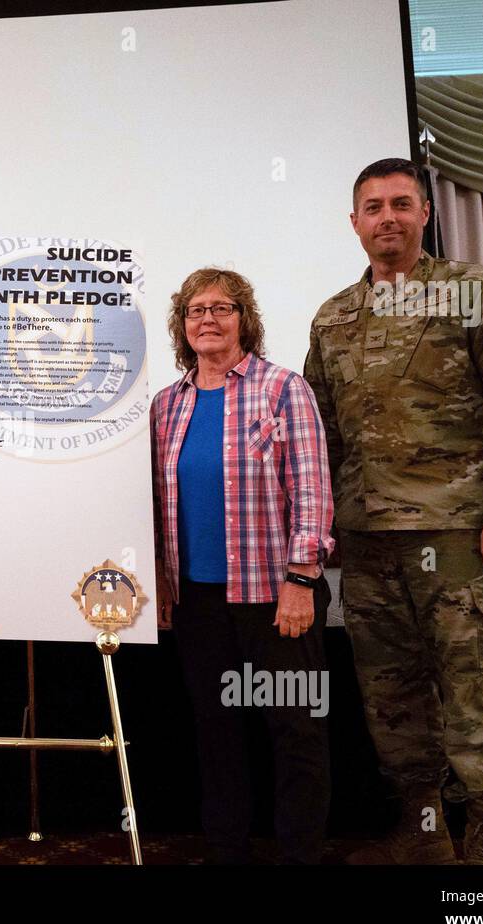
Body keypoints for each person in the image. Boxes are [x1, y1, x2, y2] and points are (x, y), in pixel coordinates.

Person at [303, 157, 483, 865]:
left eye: (400, 204)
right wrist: (318, 525)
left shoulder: (476, 293)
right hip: (366, 540)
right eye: (373, 206)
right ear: (354, 222)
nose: (386, 216)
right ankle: (425, 838)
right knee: (392, 697)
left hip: (457, 534)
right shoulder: (334, 317)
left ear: (424, 214)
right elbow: (319, 432)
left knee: (474, 688)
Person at [152, 267, 335, 864]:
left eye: (223, 308)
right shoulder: (164, 406)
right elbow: (156, 503)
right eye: (196, 310)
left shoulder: (283, 389)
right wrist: (159, 581)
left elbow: (311, 492)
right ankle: (227, 848)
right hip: (198, 602)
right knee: (216, 730)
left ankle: (299, 853)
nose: (209, 318)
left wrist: (302, 579)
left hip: (275, 595)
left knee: (296, 729)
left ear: (244, 320)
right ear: (183, 326)